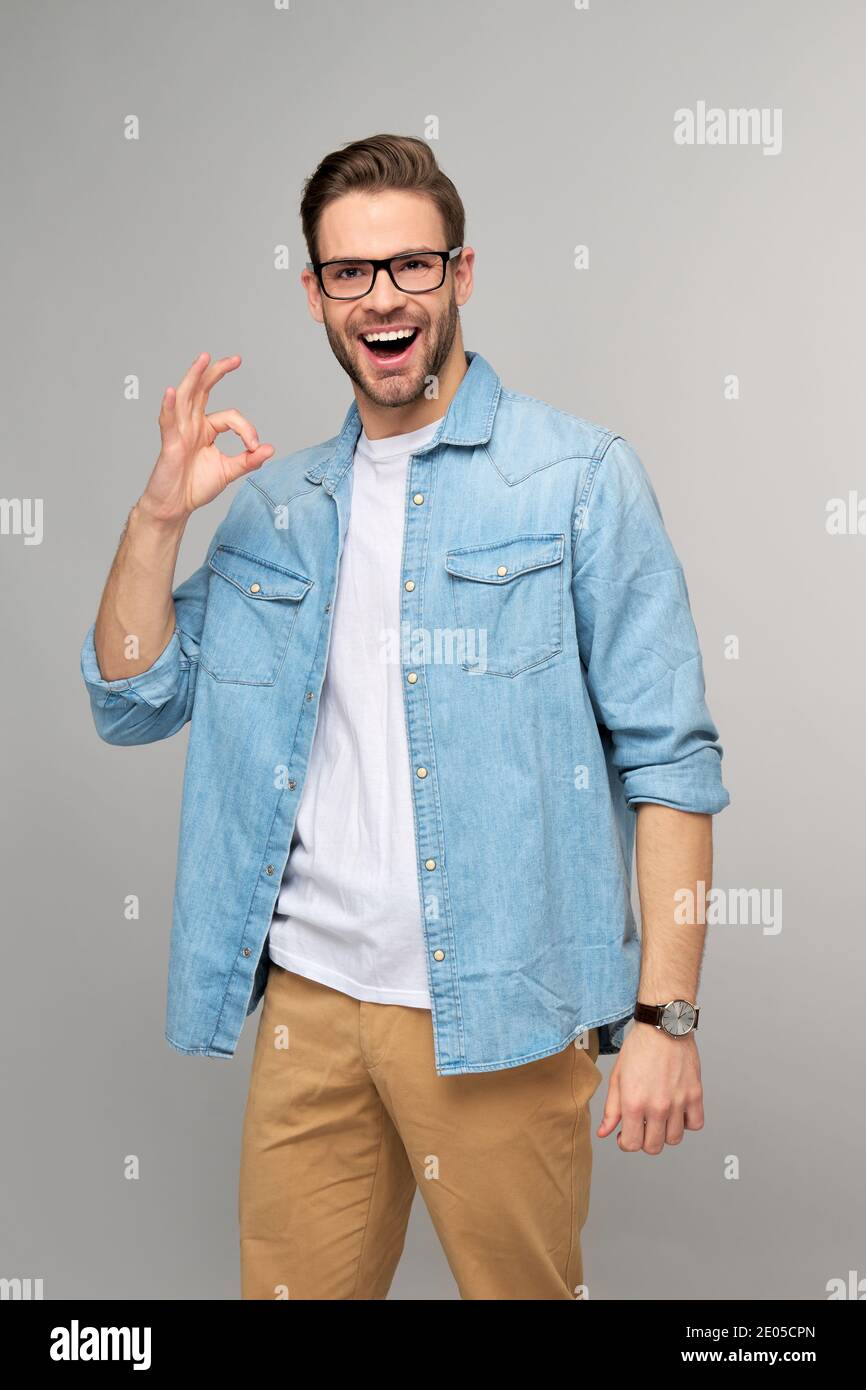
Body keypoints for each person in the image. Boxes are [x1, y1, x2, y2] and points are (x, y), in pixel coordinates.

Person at [80, 133, 730, 1300]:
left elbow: (670, 762)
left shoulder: (577, 479)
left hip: (499, 1011)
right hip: (313, 1012)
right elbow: (133, 699)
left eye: (411, 267)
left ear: (460, 275)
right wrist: (156, 518)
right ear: (316, 293)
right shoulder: (277, 506)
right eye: (350, 272)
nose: (383, 298)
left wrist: (663, 1018)